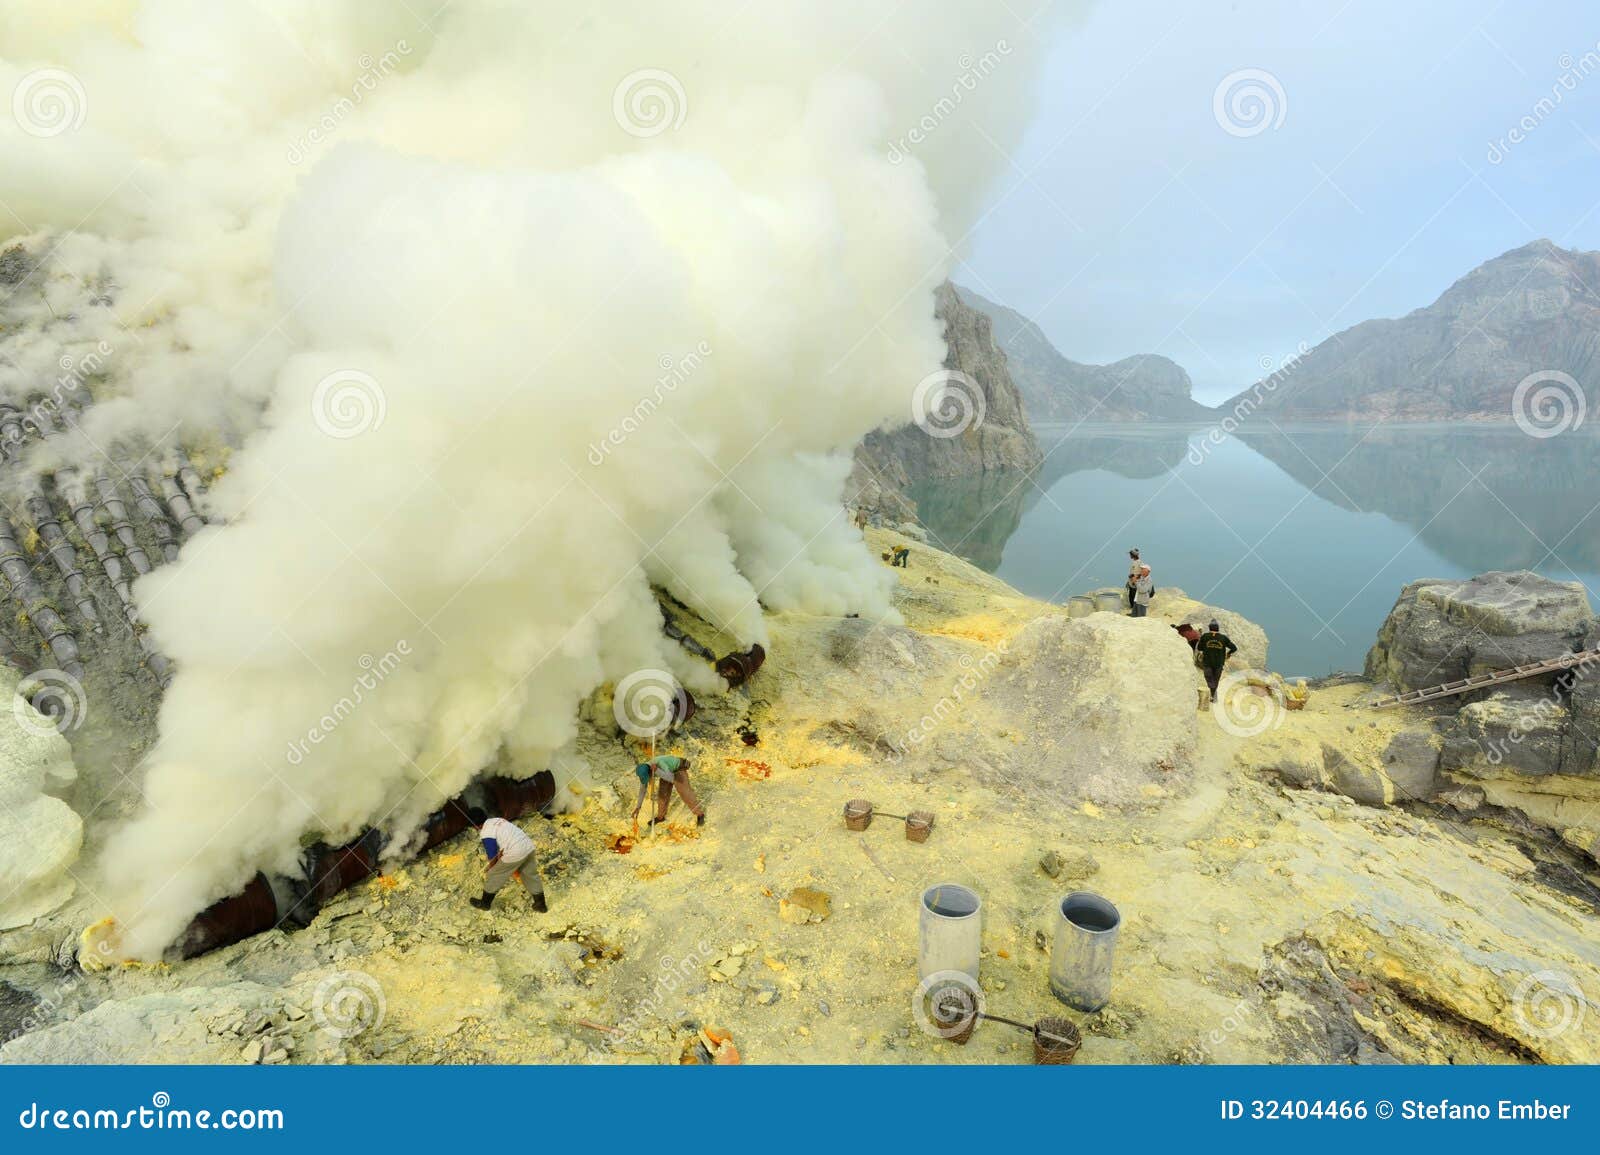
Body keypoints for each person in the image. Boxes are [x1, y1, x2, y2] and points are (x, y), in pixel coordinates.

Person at [466, 808, 548, 912]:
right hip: (528, 846)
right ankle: (541, 905)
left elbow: (492, 855)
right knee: (530, 874)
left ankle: (485, 903)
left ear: (474, 825)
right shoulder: (497, 820)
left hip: (516, 851)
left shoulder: (486, 832)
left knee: (494, 874)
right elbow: (505, 841)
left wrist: (492, 869)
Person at [632, 753, 706, 829]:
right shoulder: (644, 770)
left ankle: (700, 814)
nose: (649, 778)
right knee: (662, 794)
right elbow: (642, 790)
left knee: (685, 793)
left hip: (677, 769)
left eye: (649, 776)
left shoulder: (658, 763)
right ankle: (661, 817)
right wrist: (638, 807)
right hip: (665, 772)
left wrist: (657, 770)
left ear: (650, 771)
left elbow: (671, 778)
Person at [1197, 620, 1238, 703]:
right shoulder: (1223, 638)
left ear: (1209, 627)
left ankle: (1212, 695)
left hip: (1207, 661)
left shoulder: (1205, 636)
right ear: (1218, 628)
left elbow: (1199, 648)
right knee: (1216, 680)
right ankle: (1213, 695)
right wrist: (1228, 653)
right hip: (1219, 663)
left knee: (1209, 677)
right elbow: (1234, 648)